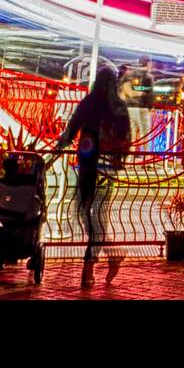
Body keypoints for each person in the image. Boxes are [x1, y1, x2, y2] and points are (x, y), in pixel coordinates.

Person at [53, 64, 131, 288]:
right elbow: (126, 136)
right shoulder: (117, 105)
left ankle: (88, 268)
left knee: (90, 213)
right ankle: (111, 252)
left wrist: (62, 144)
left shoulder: (92, 102)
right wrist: (121, 158)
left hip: (91, 164)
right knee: (91, 214)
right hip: (103, 166)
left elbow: (74, 124)